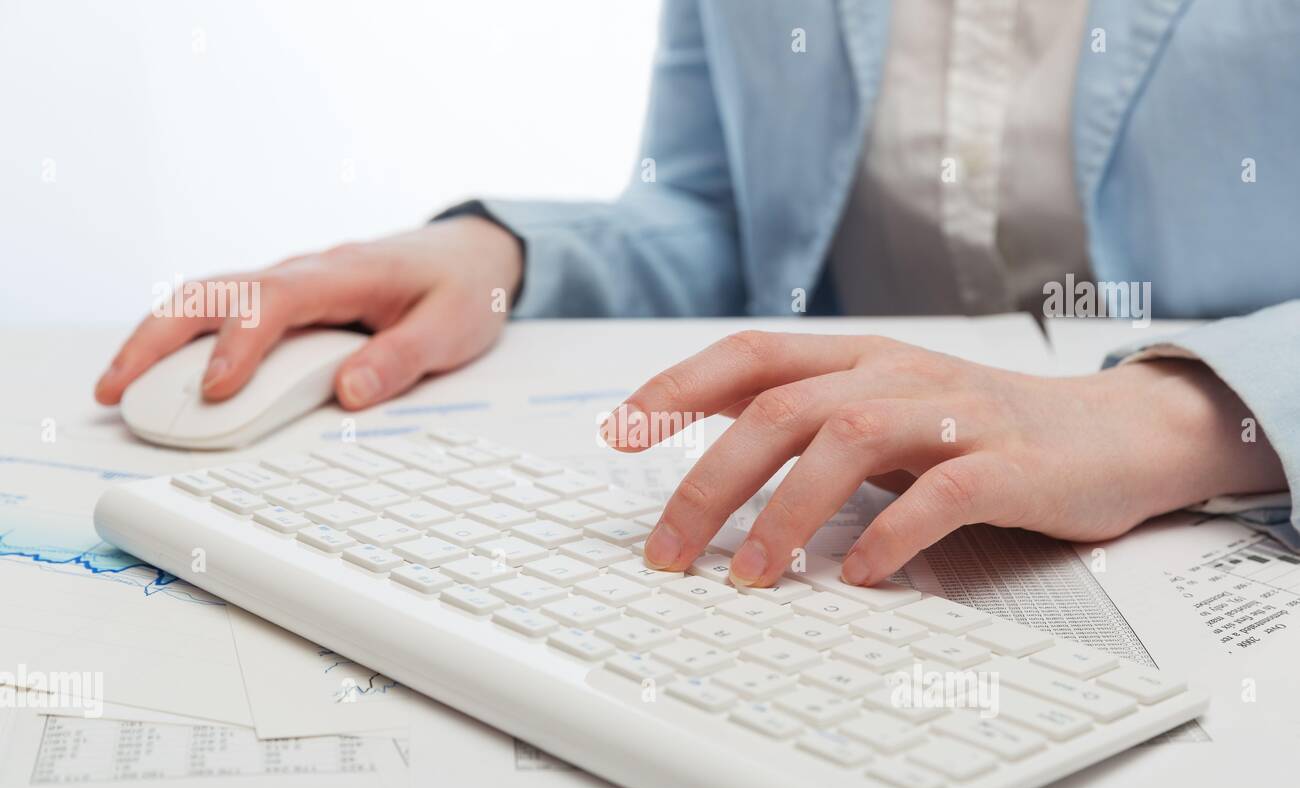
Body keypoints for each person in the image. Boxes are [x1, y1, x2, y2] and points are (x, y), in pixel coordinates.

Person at [94, 0, 1297, 589]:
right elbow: (725, 214)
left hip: (1228, 525)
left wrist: (1182, 414)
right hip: (867, 540)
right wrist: (502, 256)